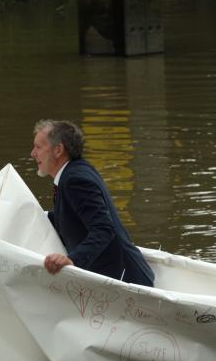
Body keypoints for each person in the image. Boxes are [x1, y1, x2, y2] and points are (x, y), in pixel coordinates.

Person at [30, 119, 155, 287]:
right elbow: (71, 217)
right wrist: (34, 216)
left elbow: (103, 229)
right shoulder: (75, 170)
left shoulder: (75, 180)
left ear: (58, 150)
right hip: (121, 274)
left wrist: (71, 259)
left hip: (126, 280)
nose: (33, 153)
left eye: (38, 147)